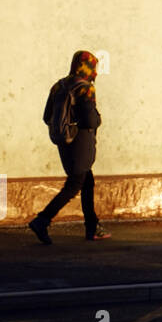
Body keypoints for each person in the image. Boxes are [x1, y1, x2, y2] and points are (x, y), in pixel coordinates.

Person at [28, 50, 110, 244]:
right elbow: (90, 120)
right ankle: (42, 220)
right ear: (88, 67)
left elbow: (47, 115)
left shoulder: (59, 86)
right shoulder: (85, 88)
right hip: (81, 143)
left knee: (86, 182)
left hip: (65, 142)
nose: (95, 72)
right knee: (74, 185)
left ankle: (92, 226)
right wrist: (98, 119)